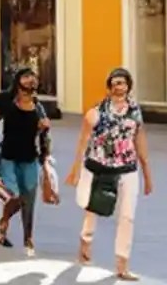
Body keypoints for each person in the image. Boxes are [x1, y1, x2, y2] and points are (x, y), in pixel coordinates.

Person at [65, 68, 153, 281]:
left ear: (128, 86)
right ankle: (85, 242)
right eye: (114, 84)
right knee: (92, 209)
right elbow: (83, 142)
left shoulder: (135, 112)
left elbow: (140, 141)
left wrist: (147, 174)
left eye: (121, 83)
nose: (118, 87)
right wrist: (75, 170)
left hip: (127, 169)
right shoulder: (96, 113)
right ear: (109, 87)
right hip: (99, 168)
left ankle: (122, 264)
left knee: (127, 217)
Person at [0, 66, 51, 256]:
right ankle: (4, 221)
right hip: (8, 157)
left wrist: (44, 128)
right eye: (26, 76)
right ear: (18, 81)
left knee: (28, 201)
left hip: (30, 158)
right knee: (14, 196)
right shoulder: (7, 100)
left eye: (33, 77)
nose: (30, 80)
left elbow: (44, 136)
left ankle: (28, 238)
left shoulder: (38, 107)